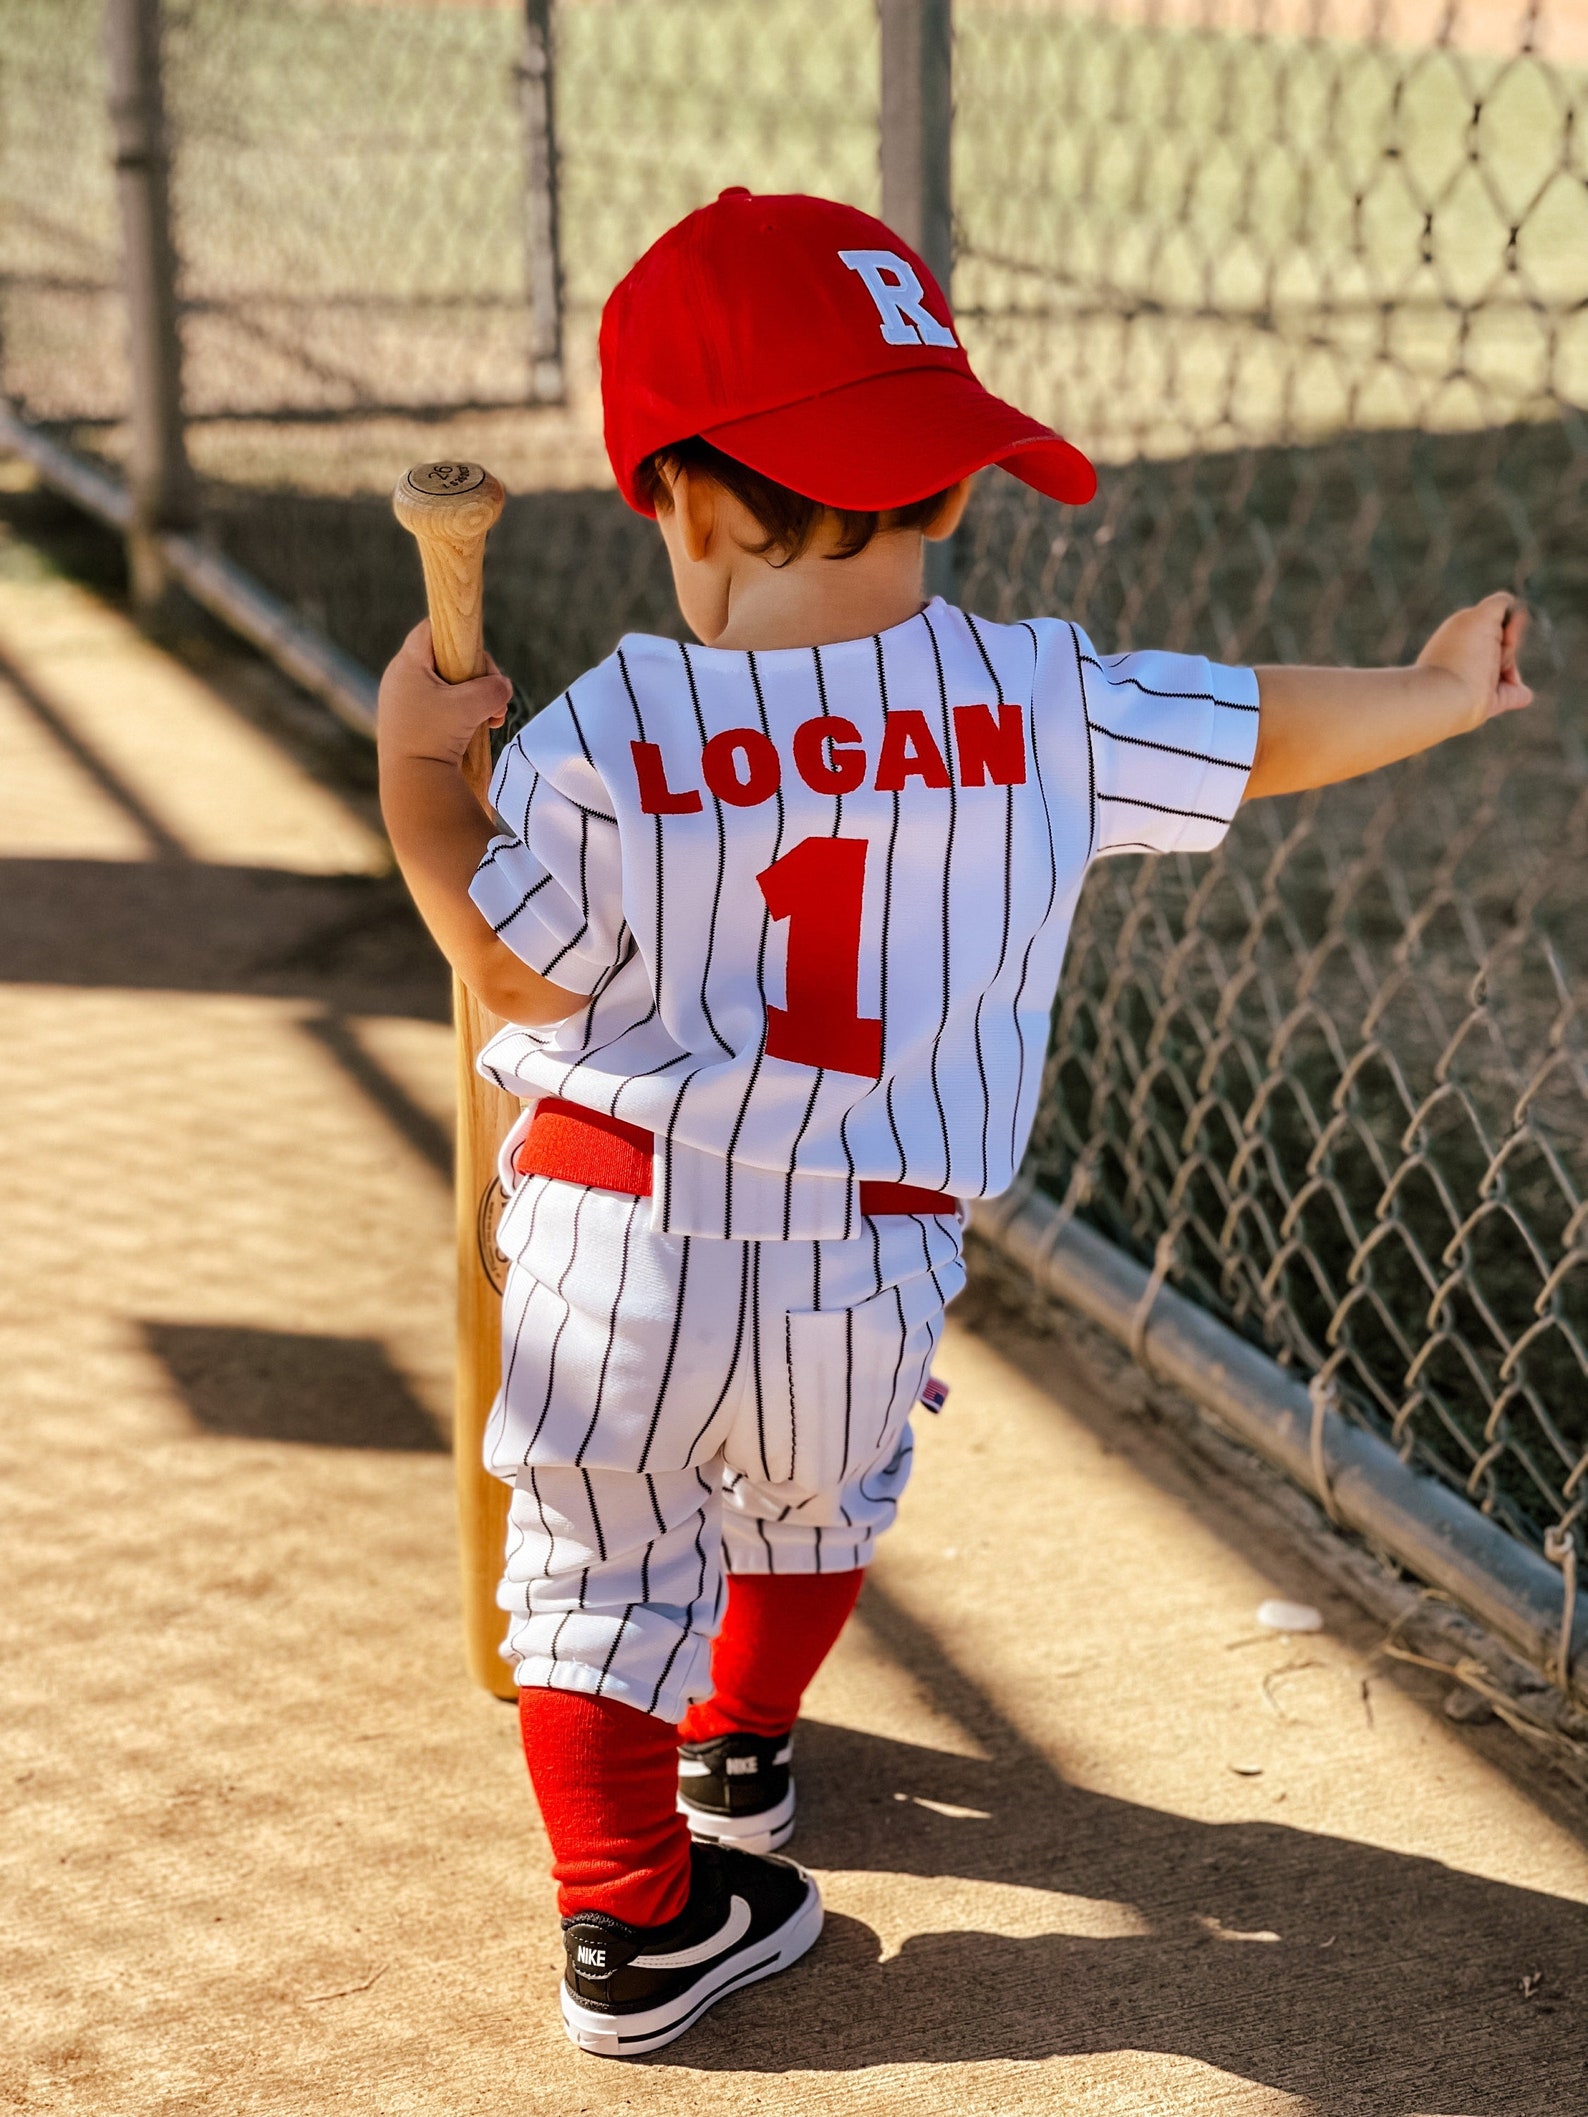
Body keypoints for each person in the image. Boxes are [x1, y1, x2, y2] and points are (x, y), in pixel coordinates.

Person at [376, 189, 1530, 2058]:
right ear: (956, 490)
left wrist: (421, 769)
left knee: (598, 1563)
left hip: (614, 1229)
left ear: (675, 500)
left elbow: (507, 974)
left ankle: (634, 1927)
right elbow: (1262, 730)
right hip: (868, 1247)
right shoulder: (1043, 699)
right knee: (815, 1502)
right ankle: (742, 1751)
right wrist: (1435, 689)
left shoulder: (607, 722)